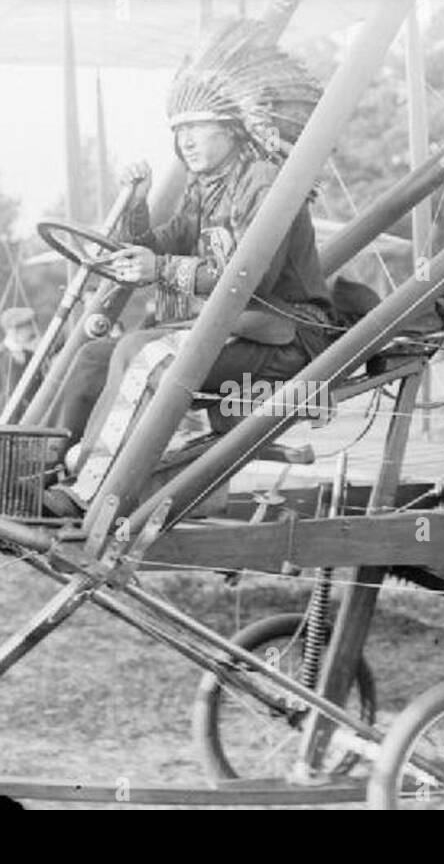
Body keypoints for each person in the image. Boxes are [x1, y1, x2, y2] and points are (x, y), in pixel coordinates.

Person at [43, 27, 329, 516]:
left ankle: (88, 493)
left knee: (143, 351)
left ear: (232, 127)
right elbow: (155, 245)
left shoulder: (264, 182)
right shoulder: (207, 188)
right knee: (94, 355)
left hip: (285, 338)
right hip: (234, 333)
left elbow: (250, 280)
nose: (185, 140)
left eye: (196, 126)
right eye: (178, 130)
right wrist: (136, 204)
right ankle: (46, 465)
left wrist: (163, 269)